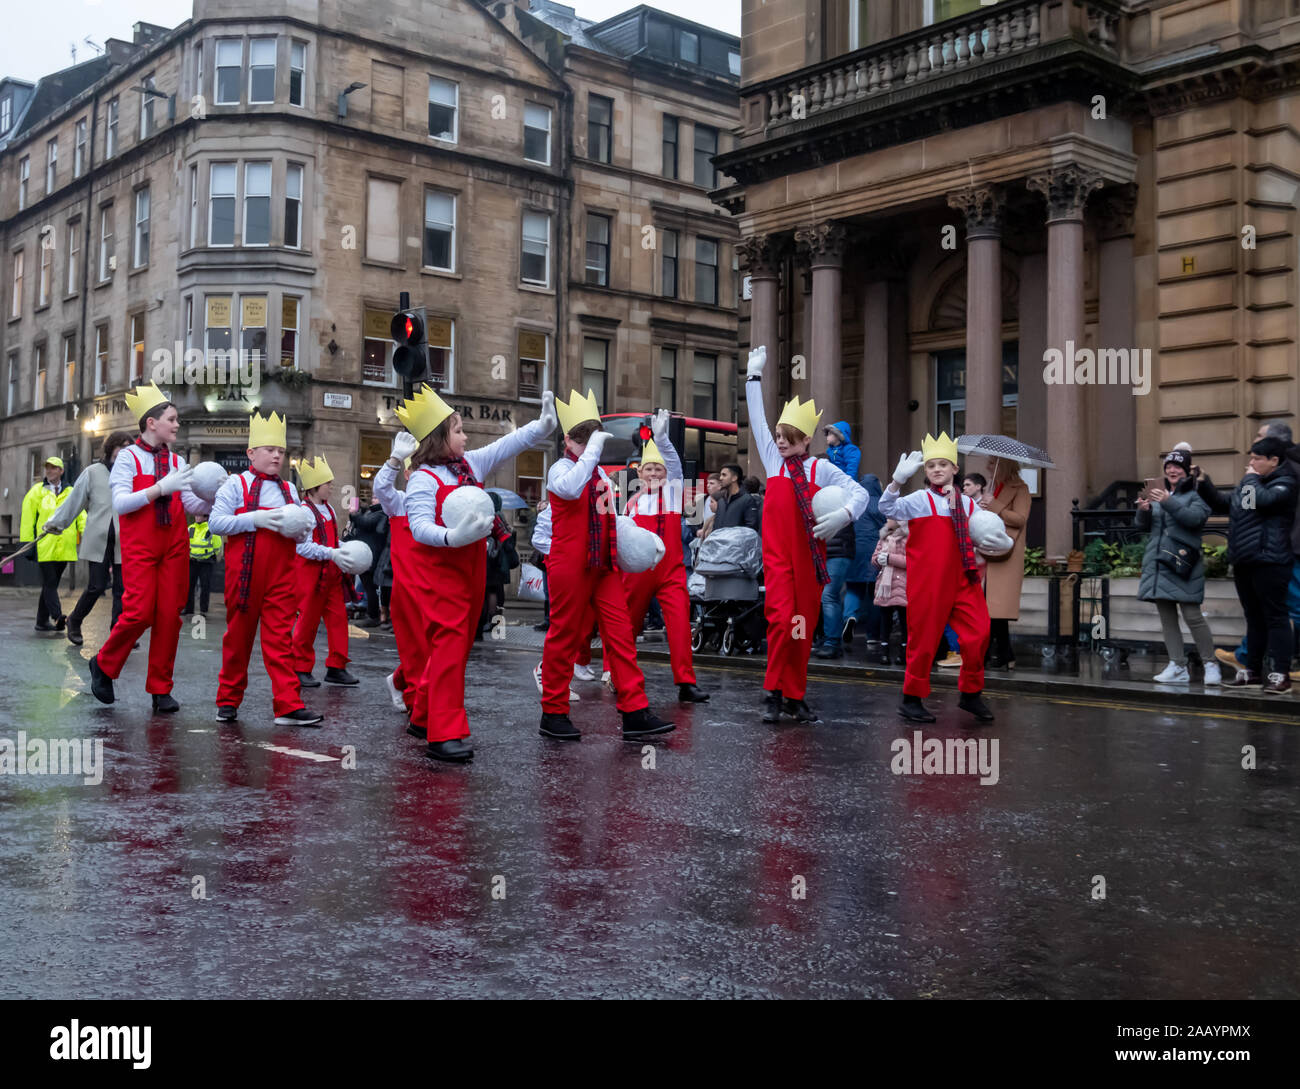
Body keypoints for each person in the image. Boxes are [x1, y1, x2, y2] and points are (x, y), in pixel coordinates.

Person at [402, 384, 558, 761]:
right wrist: (453, 536)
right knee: (451, 646)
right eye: (458, 429)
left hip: (471, 569)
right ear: (440, 437)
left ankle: (422, 715)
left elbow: (508, 446)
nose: (465, 435)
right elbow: (419, 527)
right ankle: (443, 732)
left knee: (454, 643)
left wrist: (541, 426)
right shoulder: (423, 479)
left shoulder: (468, 465)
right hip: (440, 571)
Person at [538, 389, 675, 742]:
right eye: (583, 437)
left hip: (604, 564)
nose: (590, 444)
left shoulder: (596, 471)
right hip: (570, 565)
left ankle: (634, 709)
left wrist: (636, 544)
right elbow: (568, 490)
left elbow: (611, 517)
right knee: (563, 637)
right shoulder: (561, 468)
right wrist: (593, 450)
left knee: (621, 635)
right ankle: (553, 712)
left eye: (593, 436)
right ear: (567, 439)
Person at [744, 345, 868, 723]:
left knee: (801, 630)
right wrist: (753, 377)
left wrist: (842, 517)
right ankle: (772, 692)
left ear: (805, 441)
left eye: (789, 436)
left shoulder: (822, 470)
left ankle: (794, 696)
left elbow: (861, 495)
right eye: (780, 435)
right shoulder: (772, 462)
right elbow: (756, 420)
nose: (780, 441)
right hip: (780, 562)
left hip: (811, 566)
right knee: (781, 622)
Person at [88, 384, 212, 713]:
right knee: (139, 613)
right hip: (141, 547)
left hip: (174, 545)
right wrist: (160, 488)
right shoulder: (128, 457)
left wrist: (213, 497)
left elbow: (189, 502)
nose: (176, 425)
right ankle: (102, 664)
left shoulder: (176, 459)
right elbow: (122, 503)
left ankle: (160, 689)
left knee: (170, 617)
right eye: (172, 419)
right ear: (151, 422)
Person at [209, 411, 321, 726]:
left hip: (282, 577)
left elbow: (300, 536)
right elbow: (216, 522)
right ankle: (227, 700)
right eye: (270, 449)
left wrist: (303, 528)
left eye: (281, 451)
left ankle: (288, 705)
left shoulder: (290, 489)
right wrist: (254, 519)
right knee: (238, 639)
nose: (276, 455)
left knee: (280, 641)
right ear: (251, 453)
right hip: (244, 576)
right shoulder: (235, 485)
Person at [879, 434, 995, 724]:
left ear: (955, 469)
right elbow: (886, 509)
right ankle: (911, 699)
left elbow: (983, 535)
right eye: (931, 465)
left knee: (979, 633)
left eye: (943, 464)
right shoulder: (920, 499)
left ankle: (970, 694)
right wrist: (896, 482)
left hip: (963, 579)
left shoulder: (968, 505)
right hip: (929, 582)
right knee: (924, 642)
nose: (936, 469)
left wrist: (995, 533)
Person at [621, 413, 708, 701]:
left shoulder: (673, 491)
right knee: (628, 623)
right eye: (649, 469)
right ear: (640, 473)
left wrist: (661, 439)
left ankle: (686, 682)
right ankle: (617, 672)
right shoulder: (632, 503)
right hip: (639, 571)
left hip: (670, 570)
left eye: (659, 469)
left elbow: (674, 463)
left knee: (680, 622)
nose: (656, 473)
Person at [1134, 447, 1219, 686]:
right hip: (1159, 563)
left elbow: (1195, 519)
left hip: (1183, 564)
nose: (1172, 470)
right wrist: (1144, 511)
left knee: (1193, 616)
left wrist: (1168, 502)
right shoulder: (1157, 492)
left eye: (1178, 467)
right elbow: (1142, 527)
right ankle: (1177, 665)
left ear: (1186, 471)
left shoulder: (1196, 494)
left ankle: (1210, 663)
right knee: (1167, 618)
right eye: (1168, 467)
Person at [1223, 435, 1297, 692]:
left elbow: (1265, 501)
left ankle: (1281, 674)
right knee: (1253, 618)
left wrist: (1251, 478)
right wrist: (1203, 485)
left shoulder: (1286, 482)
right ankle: (1252, 671)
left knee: (1276, 617)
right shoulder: (1256, 484)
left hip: (1272, 560)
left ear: (1274, 460)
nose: (1251, 463)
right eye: (1251, 458)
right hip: (1246, 559)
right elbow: (1239, 505)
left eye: (1257, 458)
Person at [42, 432, 131, 645]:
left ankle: (117, 632)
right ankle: (75, 620)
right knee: (97, 586)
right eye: (121, 446)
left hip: (125, 541)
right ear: (110, 448)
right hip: (98, 539)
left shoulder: (132, 475)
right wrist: (56, 523)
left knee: (122, 589)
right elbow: (74, 501)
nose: (124, 451)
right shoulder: (93, 472)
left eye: (129, 447)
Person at [291, 456, 360, 689]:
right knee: (307, 622)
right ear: (315, 487)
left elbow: (331, 539)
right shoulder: (304, 512)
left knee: (339, 619)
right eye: (328, 483)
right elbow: (302, 547)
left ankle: (336, 666)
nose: (332, 487)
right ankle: (300, 668)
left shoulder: (329, 508)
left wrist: (344, 549)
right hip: (310, 575)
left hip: (331, 574)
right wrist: (332, 553)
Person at [979, 458, 1031, 670]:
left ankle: (996, 654)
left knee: (996, 608)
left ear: (1005, 465)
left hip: (1007, 551)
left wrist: (994, 505)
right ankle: (1003, 653)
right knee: (990, 608)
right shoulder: (995, 487)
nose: (988, 467)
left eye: (992, 463)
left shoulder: (1021, 488)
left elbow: (1019, 518)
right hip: (990, 550)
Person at [21, 456, 82, 632]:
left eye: (54, 468)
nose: (49, 471)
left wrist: (88, 533)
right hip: (44, 545)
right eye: (47, 468)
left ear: (61, 471)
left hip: (65, 545)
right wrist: (27, 543)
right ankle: (57, 617)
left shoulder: (71, 492)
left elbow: (80, 514)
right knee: (50, 582)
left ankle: (41, 621)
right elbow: (28, 518)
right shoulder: (36, 492)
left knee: (51, 584)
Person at [842, 473, 885, 652]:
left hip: (854, 550)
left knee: (853, 588)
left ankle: (850, 617)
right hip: (876, 549)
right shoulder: (882, 503)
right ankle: (873, 636)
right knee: (876, 593)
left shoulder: (855, 501)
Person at [814, 500, 856, 660]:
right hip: (827, 551)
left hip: (838, 552)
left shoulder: (841, 496)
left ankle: (832, 642)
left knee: (828, 596)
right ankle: (826, 638)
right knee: (823, 596)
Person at [477, 491, 518, 640]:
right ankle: (494, 622)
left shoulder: (492, 516)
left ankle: (491, 621)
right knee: (495, 591)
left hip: (492, 559)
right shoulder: (502, 517)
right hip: (500, 560)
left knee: (490, 591)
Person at [872, 519, 908, 665]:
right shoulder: (884, 537)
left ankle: (904, 653)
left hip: (904, 584)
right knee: (885, 619)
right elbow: (874, 558)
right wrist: (878, 560)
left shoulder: (909, 537)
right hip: (885, 585)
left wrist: (890, 558)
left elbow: (912, 560)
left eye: (890, 517)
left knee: (905, 620)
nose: (887, 520)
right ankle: (884, 651)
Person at [346, 501, 388, 627]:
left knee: (370, 587)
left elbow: (366, 524)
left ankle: (373, 615)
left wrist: (354, 514)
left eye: (376, 497)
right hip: (366, 553)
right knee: (367, 585)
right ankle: (369, 612)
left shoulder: (381, 514)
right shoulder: (373, 512)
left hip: (371, 554)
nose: (373, 499)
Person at [185, 516, 221, 616]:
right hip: (192, 561)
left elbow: (217, 545)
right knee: (189, 585)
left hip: (206, 562)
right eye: (196, 515)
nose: (197, 517)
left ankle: (203, 611)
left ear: (205, 517)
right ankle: (188, 609)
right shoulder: (190, 528)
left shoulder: (211, 529)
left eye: (199, 515)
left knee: (205, 586)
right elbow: (185, 543)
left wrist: (214, 556)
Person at [713, 463, 760, 531]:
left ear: (734, 478)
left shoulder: (747, 500)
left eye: (724, 475)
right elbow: (716, 527)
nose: (720, 478)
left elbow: (751, 530)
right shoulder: (721, 501)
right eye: (720, 475)